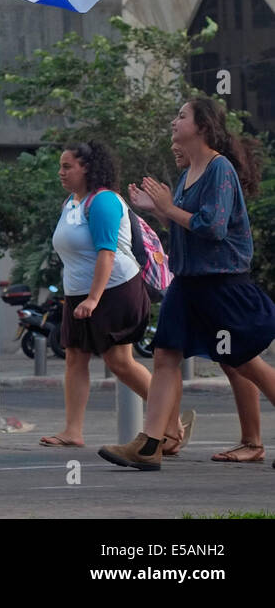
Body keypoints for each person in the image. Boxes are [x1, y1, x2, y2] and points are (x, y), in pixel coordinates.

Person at [100, 97, 275, 471]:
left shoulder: (219, 169)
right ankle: (149, 444)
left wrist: (167, 208)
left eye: (181, 116)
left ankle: (251, 441)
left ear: (203, 126)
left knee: (246, 364)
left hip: (221, 284)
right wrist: (160, 211)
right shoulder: (185, 176)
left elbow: (212, 227)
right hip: (188, 282)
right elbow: (186, 229)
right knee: (165, 357)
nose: (174, 122)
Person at [39, 141, 157, 448]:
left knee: (119, 361)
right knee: (74, 358)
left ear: (86, 168)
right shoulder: (72, 202)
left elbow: (106, 253)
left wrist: (93, 299)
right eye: (61, 166)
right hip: (78, 293)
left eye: (67, 166)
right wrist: (80, 297)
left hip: (114, 289)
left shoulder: (103, 201)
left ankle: (169, 421)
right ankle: (72, 431)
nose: (61, 172)